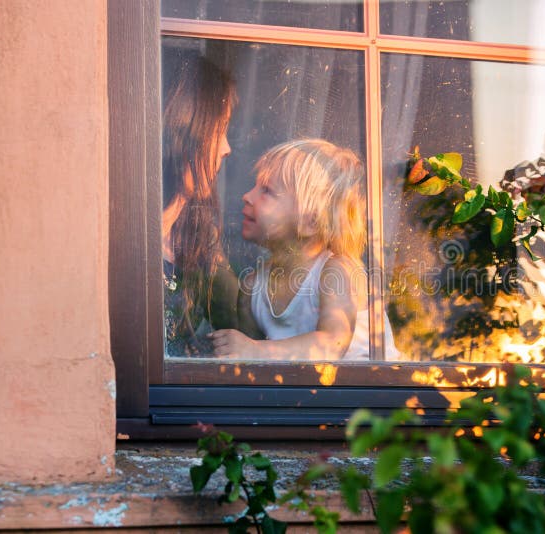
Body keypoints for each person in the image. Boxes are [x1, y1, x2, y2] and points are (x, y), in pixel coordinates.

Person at [209, 139, 390, 360]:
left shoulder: (335, 273)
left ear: (311, 222)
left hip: (372, 393)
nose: (247, 196)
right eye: (255, 186)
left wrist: (255, 349)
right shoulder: (251, 288)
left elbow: (333, 344)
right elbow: (251, 366)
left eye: (266, 190)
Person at [161, 54, 239, 356]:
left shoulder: (197, 236)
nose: (227, 148)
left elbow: (238, 322)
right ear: (183, 133)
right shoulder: (129, 239)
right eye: (219, 131)